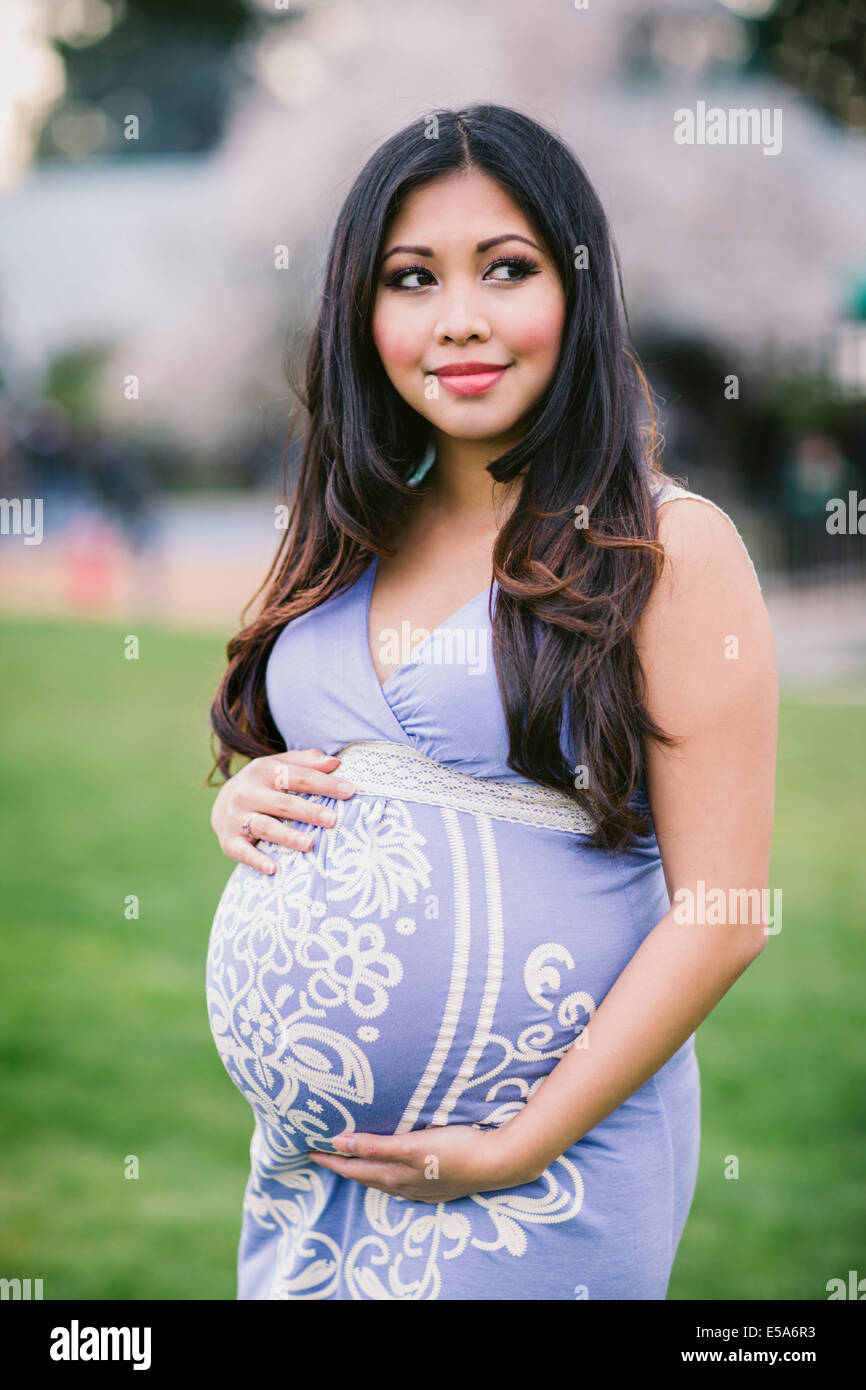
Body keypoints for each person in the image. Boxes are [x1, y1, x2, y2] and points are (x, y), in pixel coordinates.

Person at [205, 104, 777, 1301]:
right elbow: (331, 760)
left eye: (505, 269)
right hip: (316, 1183)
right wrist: (251, 801)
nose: (457, 316)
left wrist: (515, 1145)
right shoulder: (352, 530)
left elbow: (724, 909)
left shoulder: (665, 548)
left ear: (578, 293)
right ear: (361, 312)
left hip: (538, 1168)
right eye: (411, 278)